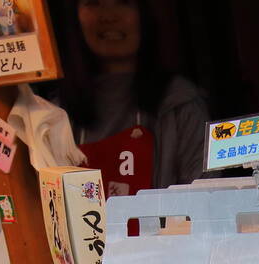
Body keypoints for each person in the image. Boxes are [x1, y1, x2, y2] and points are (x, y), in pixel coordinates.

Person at [53, 0, 208, 193]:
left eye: (123, 2)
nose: (109, 16)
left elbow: (202, 204)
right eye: (93, 2)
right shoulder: (52, 115)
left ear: (147, 14)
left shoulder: (181, 104)